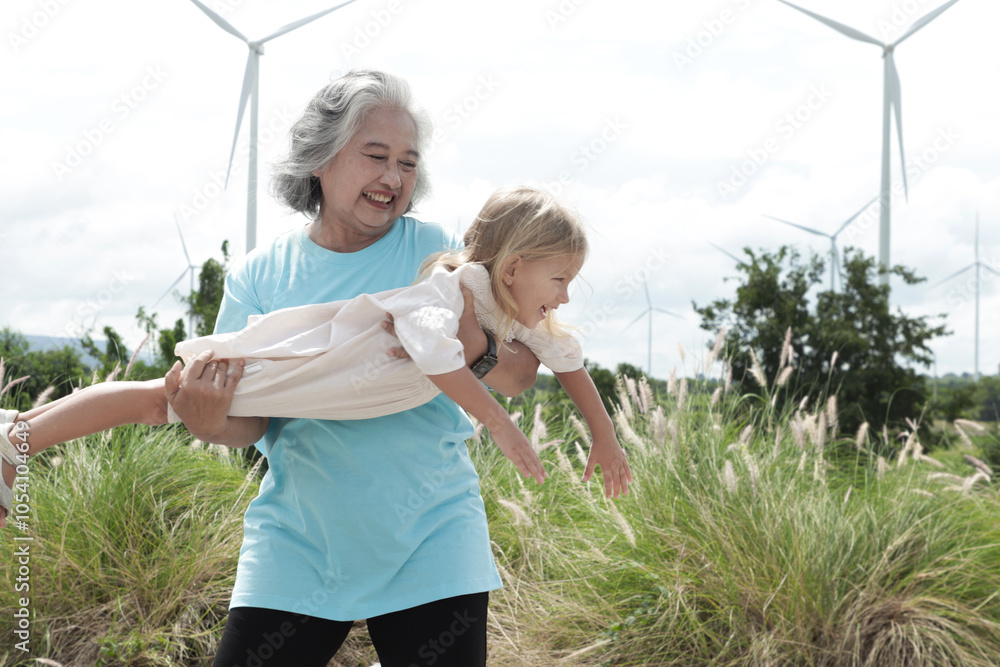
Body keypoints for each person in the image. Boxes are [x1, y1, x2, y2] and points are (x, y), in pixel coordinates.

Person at [1, 69, 629, 666]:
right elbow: (244, 423)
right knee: (162, 395)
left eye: (408, 163)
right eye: (375, 154)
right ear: (320, 159)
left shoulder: (435, 253)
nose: (394, 175)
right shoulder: (261, 274)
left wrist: (466, 345)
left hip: (431, 540)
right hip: (298, 546)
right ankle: (17, 437)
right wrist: (207, 420)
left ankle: (14, 435)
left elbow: (520, 372)